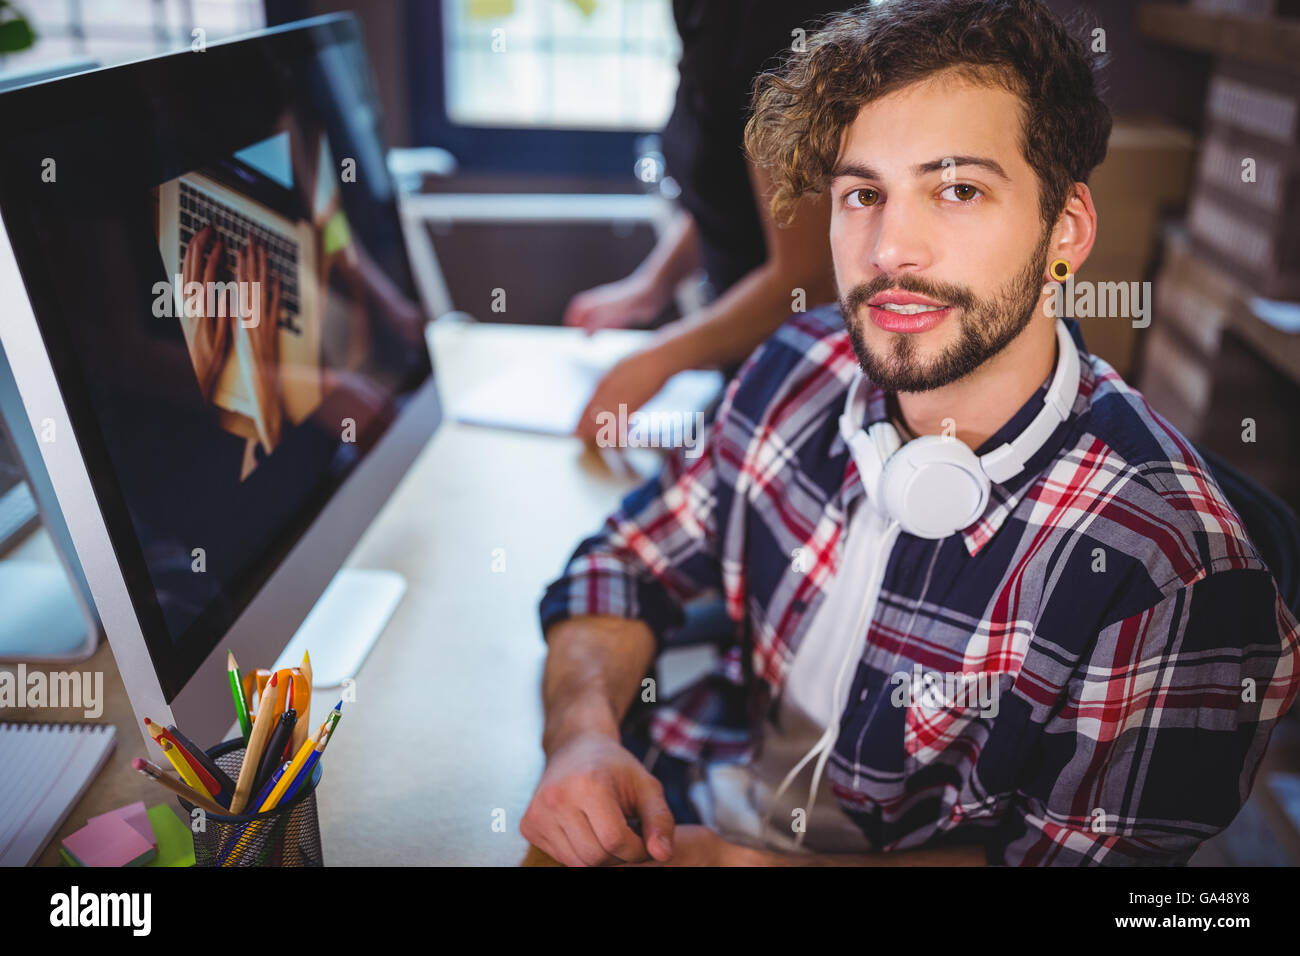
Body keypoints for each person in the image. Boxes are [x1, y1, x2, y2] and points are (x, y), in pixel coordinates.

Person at [523, 0, 1300, 867]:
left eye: (959, 189)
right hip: (685, 801)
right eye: (863, 193)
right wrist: (583, 734)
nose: (891, 247)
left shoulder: (1176, 569)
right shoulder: (797, 367)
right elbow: (622, 564)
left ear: (1066, 232)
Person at [565, 0, 846, 441]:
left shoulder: (784, 25)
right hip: (746, 366)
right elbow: (732, 196)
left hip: (808, 386)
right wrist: (651, 285)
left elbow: (808, 277)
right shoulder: (706, 19)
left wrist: (662, 359)